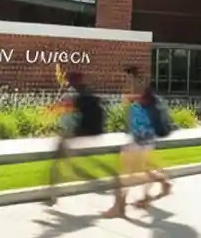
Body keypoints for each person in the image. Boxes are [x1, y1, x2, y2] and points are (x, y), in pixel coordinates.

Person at [104, 66, 172, 217]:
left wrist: (129, 92)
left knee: (123, 176)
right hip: (146, 140)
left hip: (140, 142)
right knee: (144, 170)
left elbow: (129, 98)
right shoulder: (144, 98)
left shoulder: (138, 99)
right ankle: (161, 185)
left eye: (128, 78)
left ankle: (118, 208)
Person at [45, 71, 105, 206]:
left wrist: (51, 109)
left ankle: (52, 195)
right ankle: (91, 179)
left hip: (71, 133)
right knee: (65, 163)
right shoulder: (86, 92)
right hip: (80, 133)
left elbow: (64, 108)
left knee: (57, 163)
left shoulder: (73, 94)